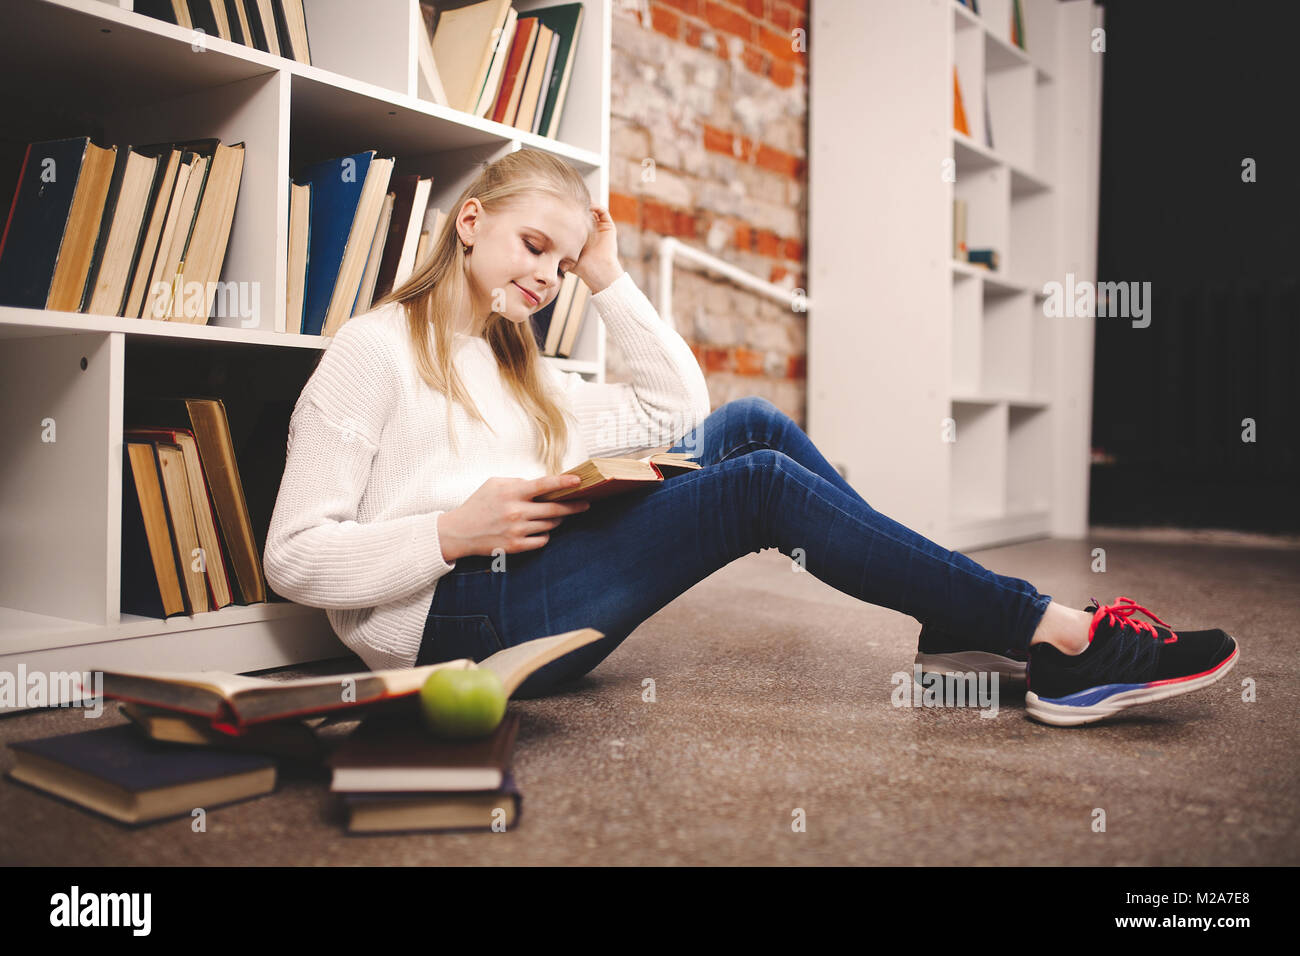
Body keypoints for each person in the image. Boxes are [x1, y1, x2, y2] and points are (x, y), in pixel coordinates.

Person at [263, 150, 1238, 728]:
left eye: (561, 261)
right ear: (468, 223)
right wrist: (449, 532)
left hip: (531, 577)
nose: (547, 275)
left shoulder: (513, 358)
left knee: (747, 426)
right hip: (460, 628)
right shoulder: (374, 349)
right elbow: (294, 557)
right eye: (533, 248)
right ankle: (1057, 638)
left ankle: (964, 617)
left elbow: (679, 411)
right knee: (759, 484)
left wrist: (609, 275)